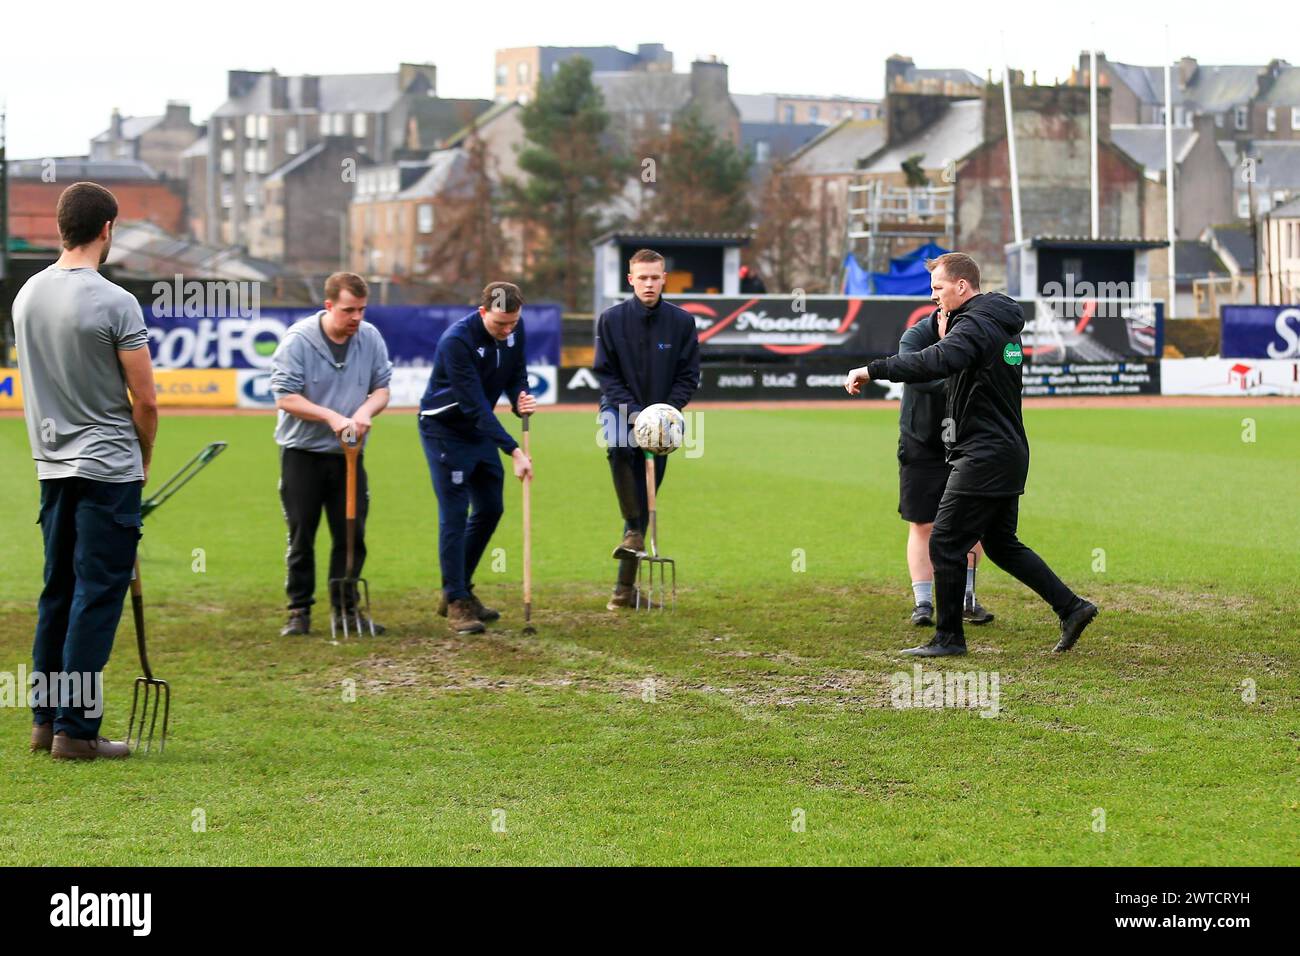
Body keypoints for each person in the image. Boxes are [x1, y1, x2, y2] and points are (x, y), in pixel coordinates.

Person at [845, 252, 1097, 657]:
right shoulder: (997, 322)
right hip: (1004, 450)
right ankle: (1072, 607)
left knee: (944, 541)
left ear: (962, 286)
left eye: (938, 288)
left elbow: (939, 359)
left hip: (984, 453)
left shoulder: (976, 324)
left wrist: (873, 370)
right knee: (1000, 543)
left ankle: (948, 638)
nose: (934, 296)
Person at [14, 181, 157, 759]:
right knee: (97, 595)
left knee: (58, 593)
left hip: (51, 468)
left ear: (59, 227)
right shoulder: (114, 301)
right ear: (107, 229)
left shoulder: (26, 296)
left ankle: (45, 721)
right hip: (107, 468)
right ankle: (78, 730)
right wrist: (142, 458)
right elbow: (144, 399)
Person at [270, 272, 392, 637]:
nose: (356, 317)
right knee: (302, 533)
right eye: (348, 310)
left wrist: (364, 413)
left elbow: (382, 388)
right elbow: (285, 397)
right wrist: (333, 417)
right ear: (328, 306)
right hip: (302, 453)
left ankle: (346, 607)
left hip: (349, 455)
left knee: (351, 532)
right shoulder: (298, 341)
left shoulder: (369, 338)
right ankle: (299, 609)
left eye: (362, 309)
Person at [419, 281, 535, 635]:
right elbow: (473, 405)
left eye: (512, 323)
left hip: (480, 431)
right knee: (455, 514)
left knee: (490, 509)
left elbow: (516, 373)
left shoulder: (515, 327)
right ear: (483, 312)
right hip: (446, 430)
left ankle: (460, 587)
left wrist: (518, 399)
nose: (507, 331)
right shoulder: (457, 342)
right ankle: (456, 601)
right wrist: (514, 449)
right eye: (500, 324)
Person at [593, 248, 701, 609]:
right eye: (642, 278)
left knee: (646, 495)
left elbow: (689, 375)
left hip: (664, 418)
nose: (649, 284)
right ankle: (633, 530)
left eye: (655, 277)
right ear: (631, 280)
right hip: (620, 411)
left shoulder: (682, 323)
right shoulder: (610, 320)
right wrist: (636, 413)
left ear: (664, 278)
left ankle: (623, 591)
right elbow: (605, 373)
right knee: (618, 447)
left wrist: (667, 411)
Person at [893, 310, 993, 628]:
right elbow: (914, 375)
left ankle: (966, 597)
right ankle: (923, 602)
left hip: (966, 443)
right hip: (920, 442)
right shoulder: (916, 336)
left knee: (971, 524)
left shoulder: (975, 335)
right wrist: (962, 384)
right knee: (923, 523)